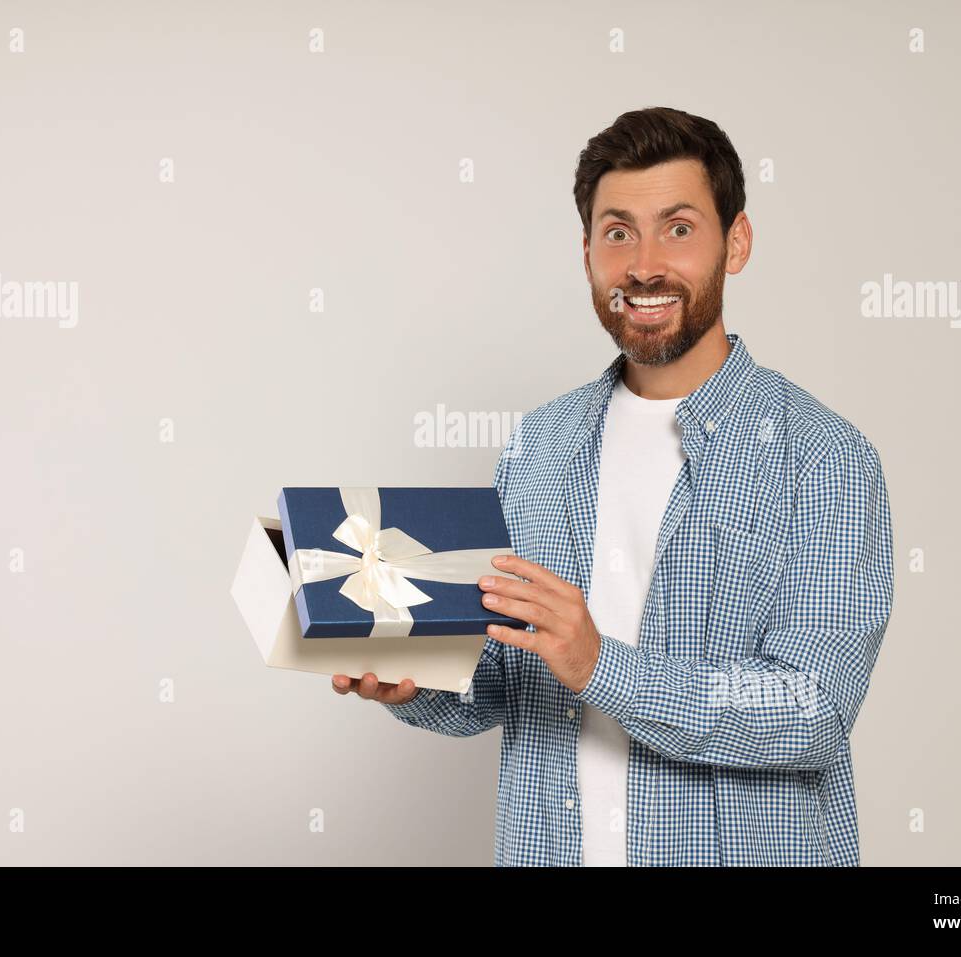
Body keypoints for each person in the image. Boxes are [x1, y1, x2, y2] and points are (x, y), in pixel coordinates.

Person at [333, 106, 894, 867]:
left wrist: (602, 664)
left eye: (680, 227)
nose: (644, 264)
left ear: (738, 242)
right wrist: (421, 681)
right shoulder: (539, 442)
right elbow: (506, 675)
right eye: (618, 231)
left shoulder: (823, 456)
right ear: (588, 251)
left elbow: (815, 709)